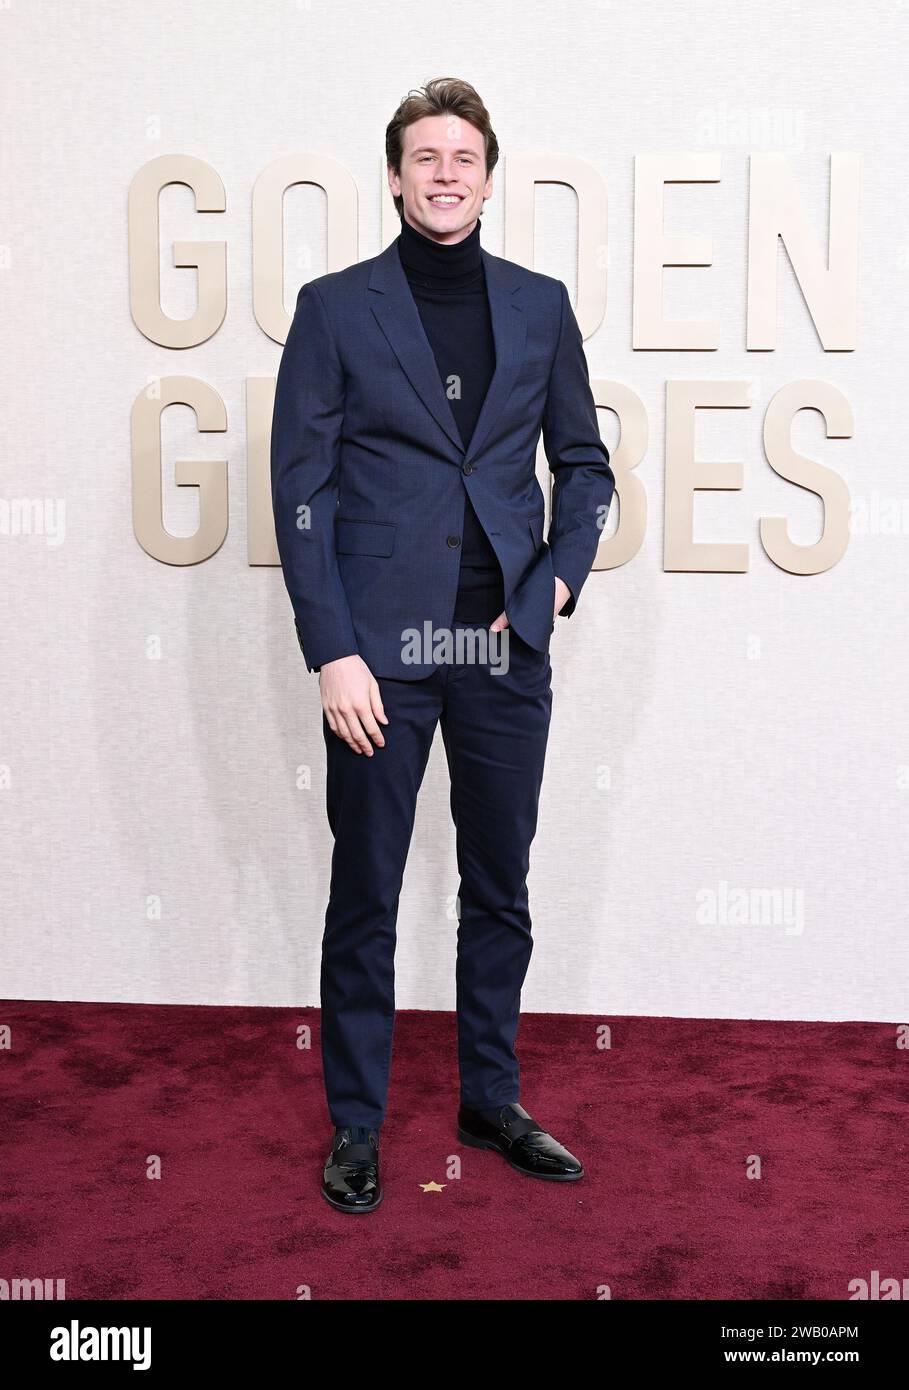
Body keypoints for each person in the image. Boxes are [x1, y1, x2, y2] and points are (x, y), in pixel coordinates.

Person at [271, 77, 615, 1213]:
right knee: (365, 888)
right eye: (426, 156)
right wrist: (333, 649)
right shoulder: (333, 308)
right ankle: (358, 1124)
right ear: (395, 174)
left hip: (504, 645)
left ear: (487, 171)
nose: (446, 173)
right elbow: (301, 489)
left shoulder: (539, 304)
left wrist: (558, 581)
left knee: (499, 882)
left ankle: (490, 1096)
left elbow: (584, 464)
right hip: (380, 650)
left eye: (463, 155)